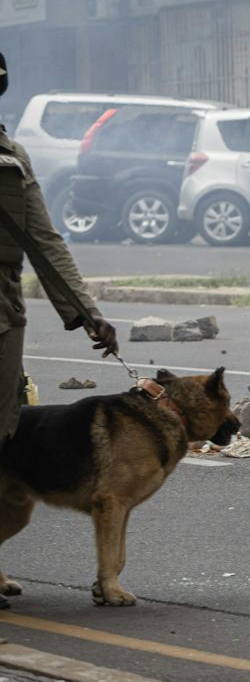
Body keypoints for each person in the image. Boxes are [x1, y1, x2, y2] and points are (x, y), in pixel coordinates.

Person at [0, 55, 119, 450]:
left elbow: (44, 242)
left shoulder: (13, 156)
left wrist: (87, 312)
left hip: (3, 309)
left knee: (6, 430)